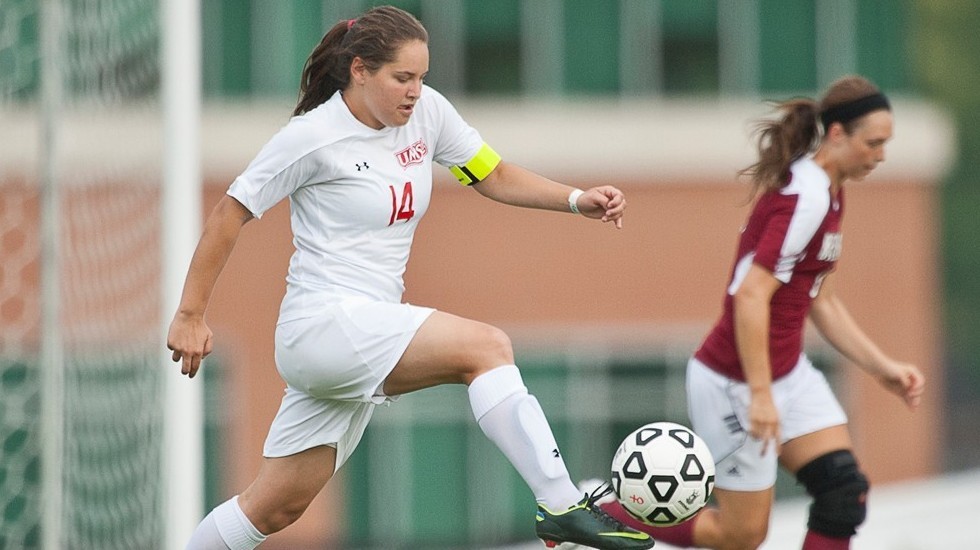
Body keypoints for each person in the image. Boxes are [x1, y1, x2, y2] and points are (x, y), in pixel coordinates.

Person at [167, 5, 653, 550]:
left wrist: (574, 200)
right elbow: (229, 212)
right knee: (487, 348)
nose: (415, 91)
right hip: (323, 328)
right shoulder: (312, 137)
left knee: (275, 507)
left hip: (362, 332)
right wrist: (190, 314)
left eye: (421, 78)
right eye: (402, 77)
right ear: (358, 70)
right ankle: (561, 503)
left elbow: (491, 174)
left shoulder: (428, 114)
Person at [599, 75, 925, 549]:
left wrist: (883, 369)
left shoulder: (832, 189)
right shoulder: (807, 196)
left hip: (785, 374)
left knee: (843, 493)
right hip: (735, 382)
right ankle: (604, 513)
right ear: (837, 135)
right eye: (874, 143)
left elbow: (821, 299)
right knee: (741, 535)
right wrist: (760, 394)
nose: (881, 155)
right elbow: (751, 295)